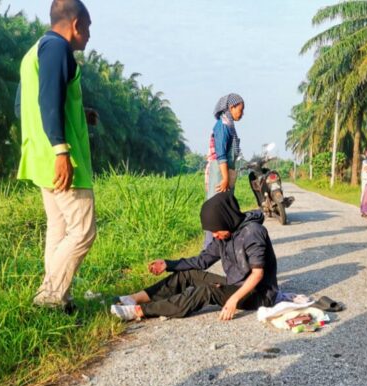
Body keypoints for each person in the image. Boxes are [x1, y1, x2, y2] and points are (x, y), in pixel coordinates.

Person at [16, 0, 98, 312]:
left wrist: (81, 112)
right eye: (88, 29)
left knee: (59, 227)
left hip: (40, 157)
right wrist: (61, 149)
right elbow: (49, 99)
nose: (89, 37)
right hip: (62, 159)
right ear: (76, 24)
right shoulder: (57, 49)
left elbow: (24, 105)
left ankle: (58, 298)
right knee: (83, 231)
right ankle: (49, 297)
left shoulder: (33, 53)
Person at [111, 193, 277, 322]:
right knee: (187, 274)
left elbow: (258, 274)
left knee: (206, 292)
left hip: (259, 295)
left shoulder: (253, 233)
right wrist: (168, 264)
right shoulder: (224, 235)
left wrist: (233, 299)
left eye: (216, 229)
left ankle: (140, 311)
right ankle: (133, 299)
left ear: (227, 219)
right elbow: (201, 261)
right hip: (236, 284)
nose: (214, 234)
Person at [204, 93, 244, 247]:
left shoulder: (229, 125)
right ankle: (209, 248)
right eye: (240, 110)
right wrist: (225, 178)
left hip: (224, 171)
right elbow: (221, 155)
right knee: (214, 209)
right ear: (231, 107)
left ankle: (220, 247)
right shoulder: (222, 126)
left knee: (223, 209)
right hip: (219, 171)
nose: (242, 114)